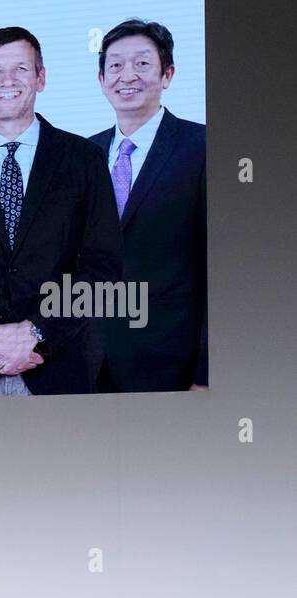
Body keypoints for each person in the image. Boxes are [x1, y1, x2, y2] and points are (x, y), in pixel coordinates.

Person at [0, 27, 122, 397]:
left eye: (21, 69)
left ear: (41, 78)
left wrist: (37, 332)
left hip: (63, 368)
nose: (7, 81)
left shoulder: (83, 159)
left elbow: (104, 271)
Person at [90, 18, 207, 392]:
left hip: (171, 369)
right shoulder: (81, 155)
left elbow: (221, 270)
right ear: (101, 79)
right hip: (87, 367)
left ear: (167, 74)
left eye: (142, 63)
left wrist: (206, 376)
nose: (128, 75)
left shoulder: (203, 147)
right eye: (116, 65)